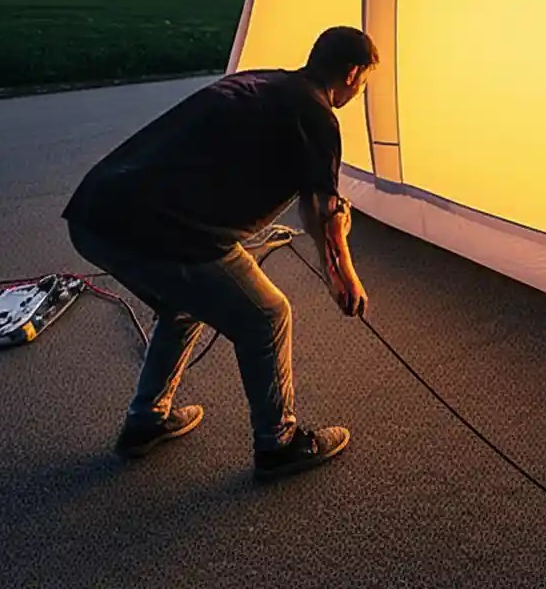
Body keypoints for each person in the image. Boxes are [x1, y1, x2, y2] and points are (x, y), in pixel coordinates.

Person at [63, 26, 376, 480]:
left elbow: (313, 203)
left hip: (95, 212)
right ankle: (278, 444)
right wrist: (345, 277)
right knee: (267, 315)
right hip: (166, 229)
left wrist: (333, 264)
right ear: (351, 73)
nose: (361, 89)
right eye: (364, 81)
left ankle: (146, 421)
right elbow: (324, 211)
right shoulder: (317, 114)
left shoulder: (264, 83)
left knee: (182, 306)